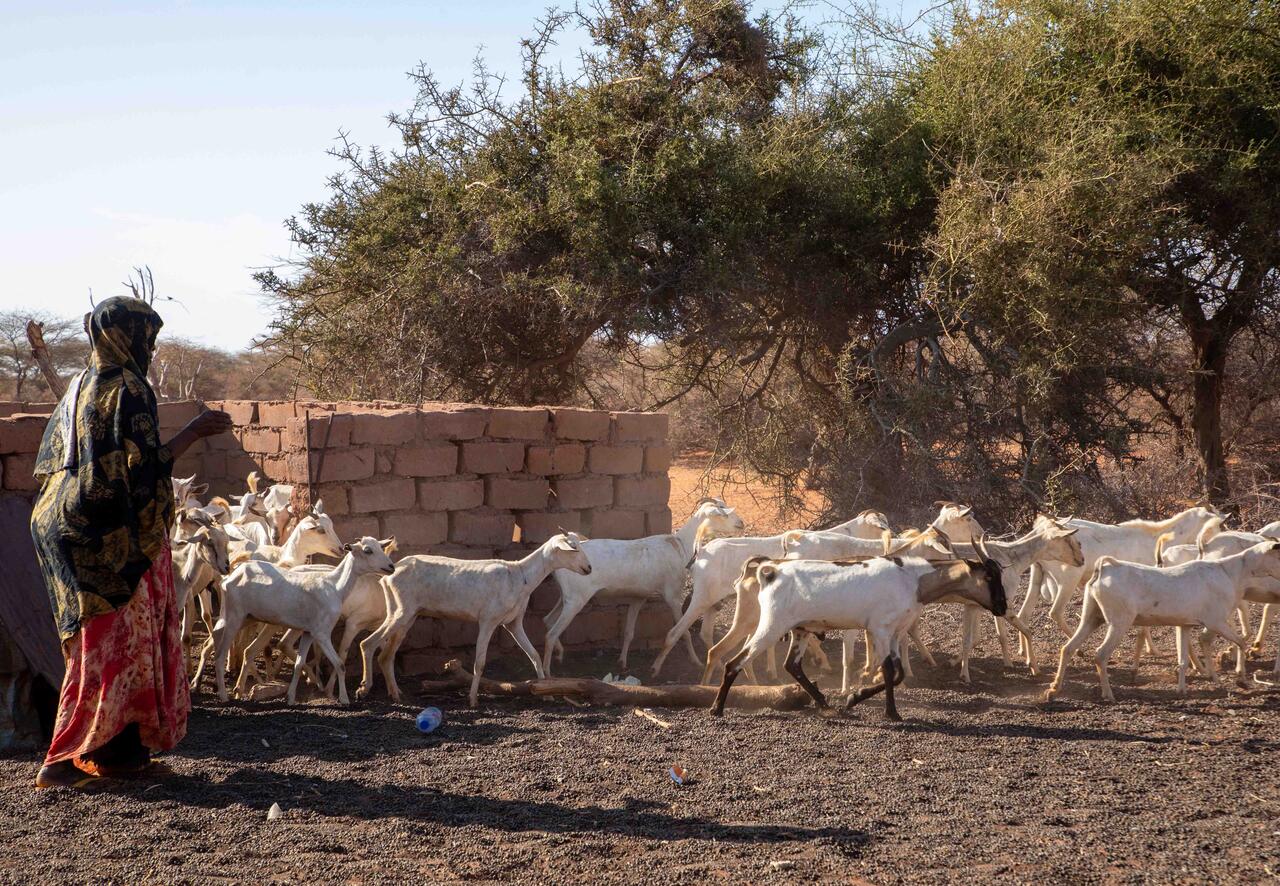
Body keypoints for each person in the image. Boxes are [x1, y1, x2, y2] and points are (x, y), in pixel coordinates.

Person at [29, 296, 232, 789]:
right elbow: (143, 467)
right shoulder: (129, 387)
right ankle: (61, 760)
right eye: (147, 338)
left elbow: (54, 460)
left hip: (63, 524)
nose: (151, 349)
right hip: (106, 533)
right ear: (126, 337)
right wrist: (194, 432)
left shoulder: (80, 384)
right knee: (110, 646)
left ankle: (120, 756)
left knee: (108, 642)